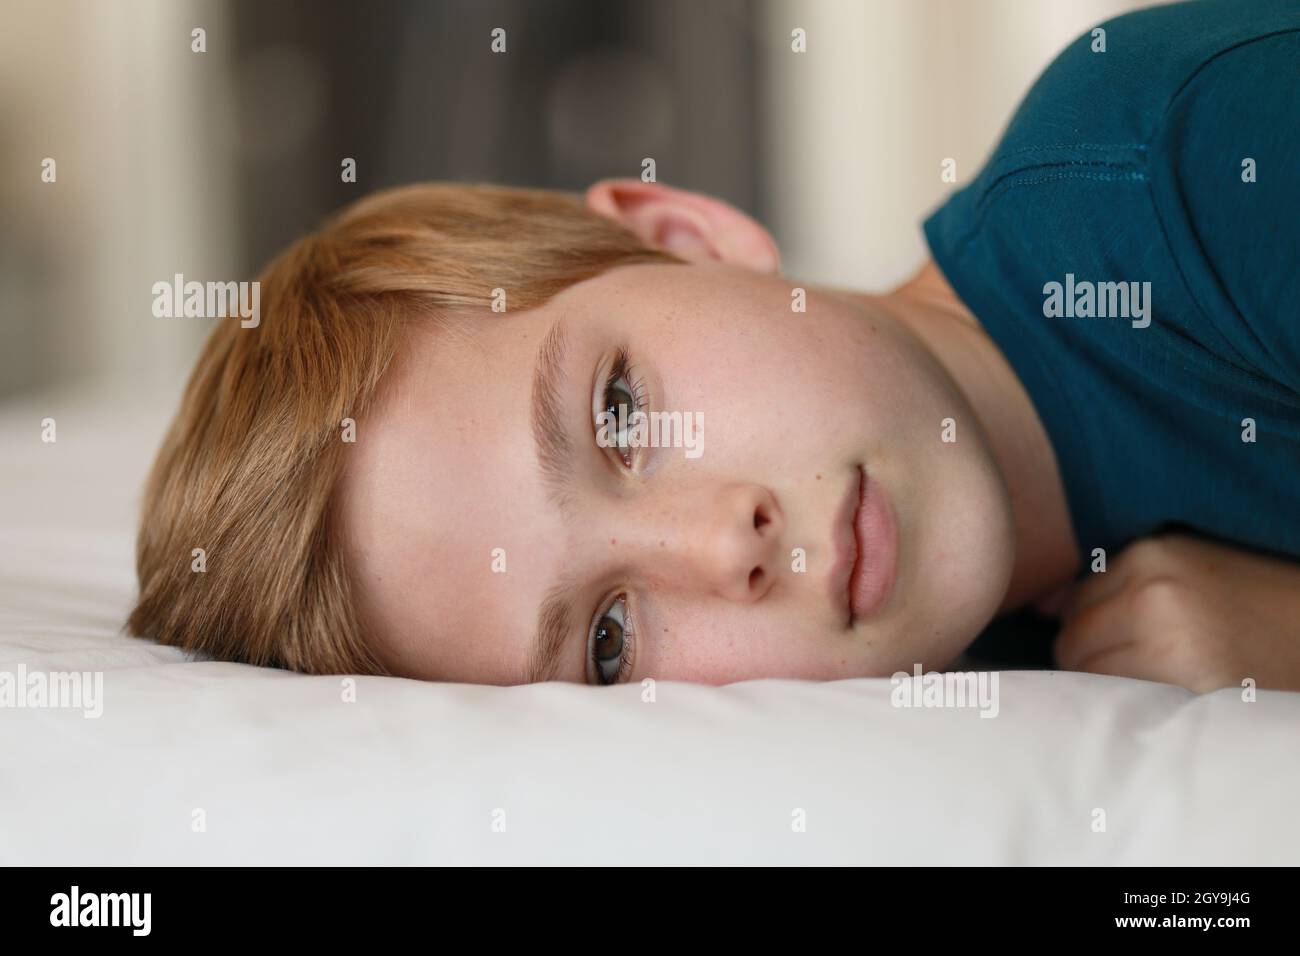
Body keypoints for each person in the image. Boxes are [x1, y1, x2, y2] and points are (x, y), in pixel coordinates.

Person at [129, 0, 1300, 692]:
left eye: (621, 411)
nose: (716, 548)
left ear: (684, 234)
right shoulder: (952, 679)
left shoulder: (1169, 171)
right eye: (606, 639)